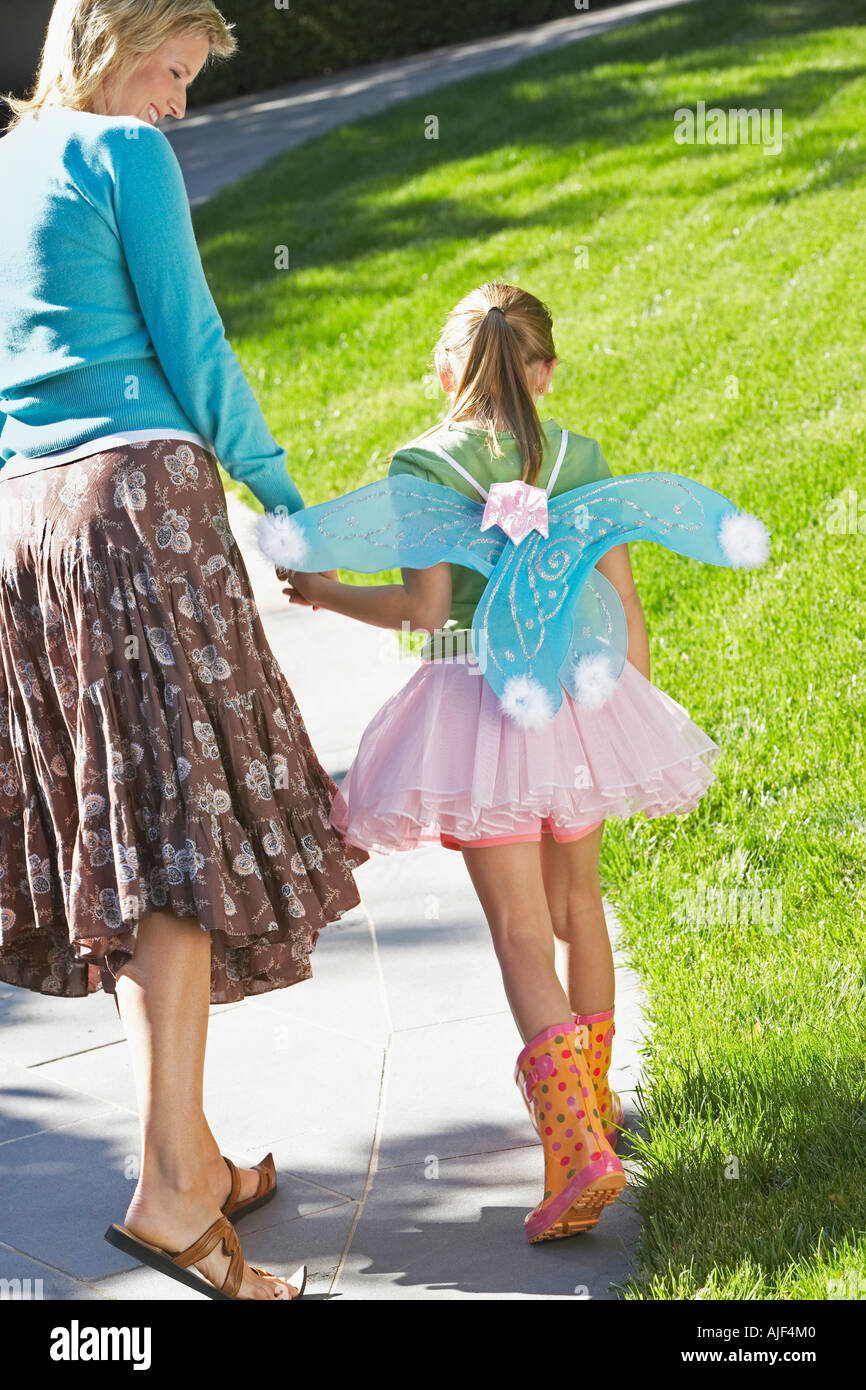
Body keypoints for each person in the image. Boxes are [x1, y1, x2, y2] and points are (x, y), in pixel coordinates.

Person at [0, 0, 365, 1299]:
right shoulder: (119, 152)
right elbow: (191, 345)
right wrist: (285, 506)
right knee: (173, 845)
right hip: (133, 510)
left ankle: (194, 1148)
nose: (178, 105)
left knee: (122, 828)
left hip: (25, 526)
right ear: (116, 43)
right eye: (171, 71)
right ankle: (168, 1194)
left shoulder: (7, 164)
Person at [279, 281, 732, 1242]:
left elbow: (418, 612)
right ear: (546, 369)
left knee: (523, 934)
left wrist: (321, 595)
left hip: (472, 706)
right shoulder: (583, 458)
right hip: (579, 701)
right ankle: (596, 1109)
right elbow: (624, 604)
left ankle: (576, 1154)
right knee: (578, 909)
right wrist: (625, 713)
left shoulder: (424, 462)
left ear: (448, 370)